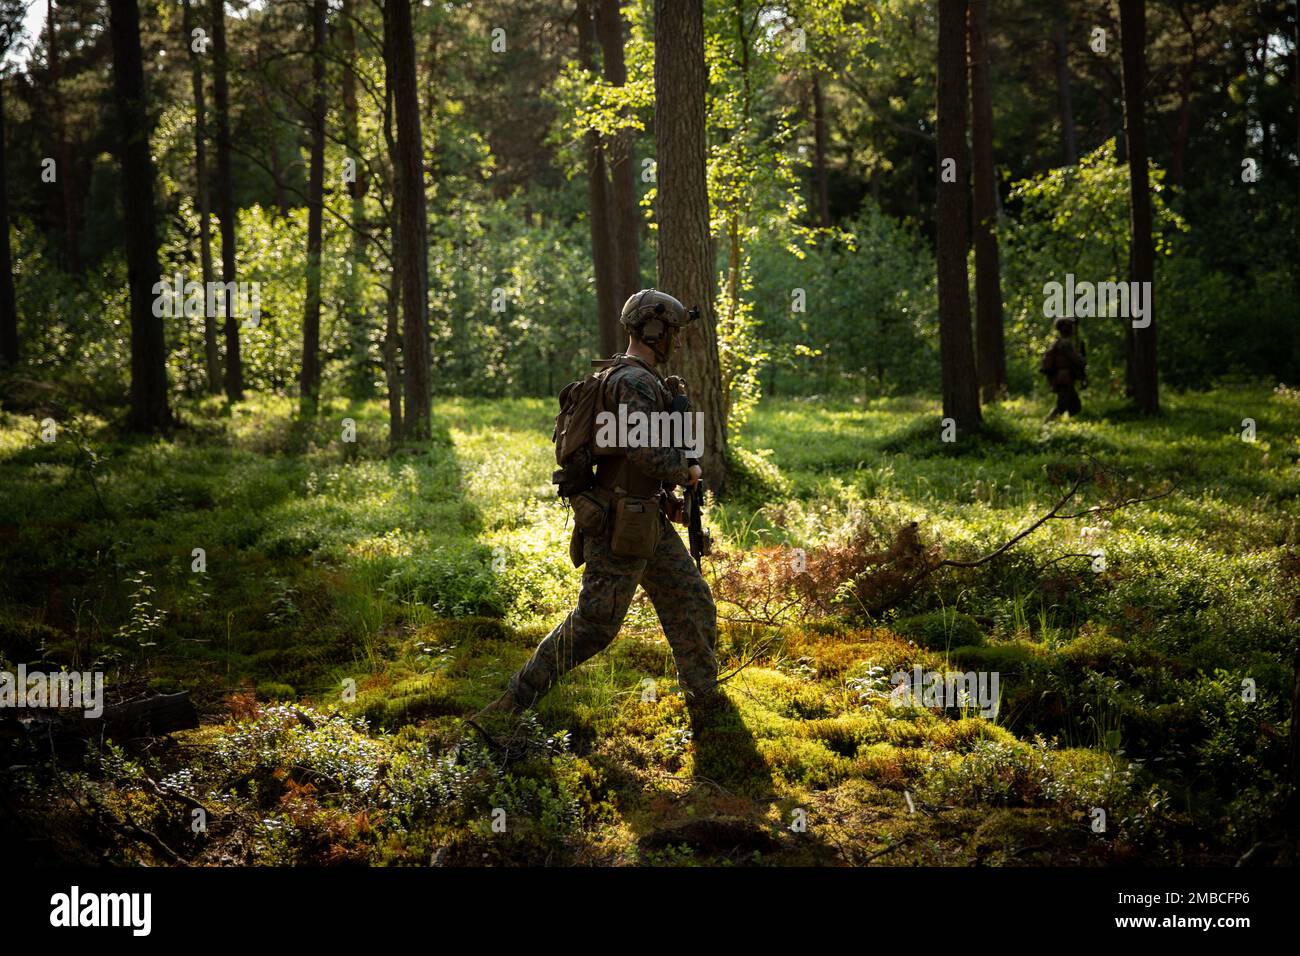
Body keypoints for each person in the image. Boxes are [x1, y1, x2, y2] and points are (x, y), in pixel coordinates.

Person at [473, 290, 722, 725]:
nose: (677, 343)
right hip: (618, 524)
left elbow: (630, 458)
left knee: (692, 601)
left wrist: (668, 499)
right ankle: (511, 705)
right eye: (673, 333)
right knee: (594, 625)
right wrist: (689, 471)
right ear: (653, 330)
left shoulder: (636, 378)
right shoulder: (633, 381)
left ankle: (705, 703)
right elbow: (646, 452)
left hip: (645, 519)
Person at [1040, 317, 1087, 421]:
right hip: (1064, 378)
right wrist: (1082, 361)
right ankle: (1047, 423)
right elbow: (1075, 359)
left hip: (1065, 378)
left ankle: (1071, 426)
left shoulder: (1060, 342)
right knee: (1063, 405)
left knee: (1074, 406)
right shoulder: (1065, 343)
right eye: (1070, 327)